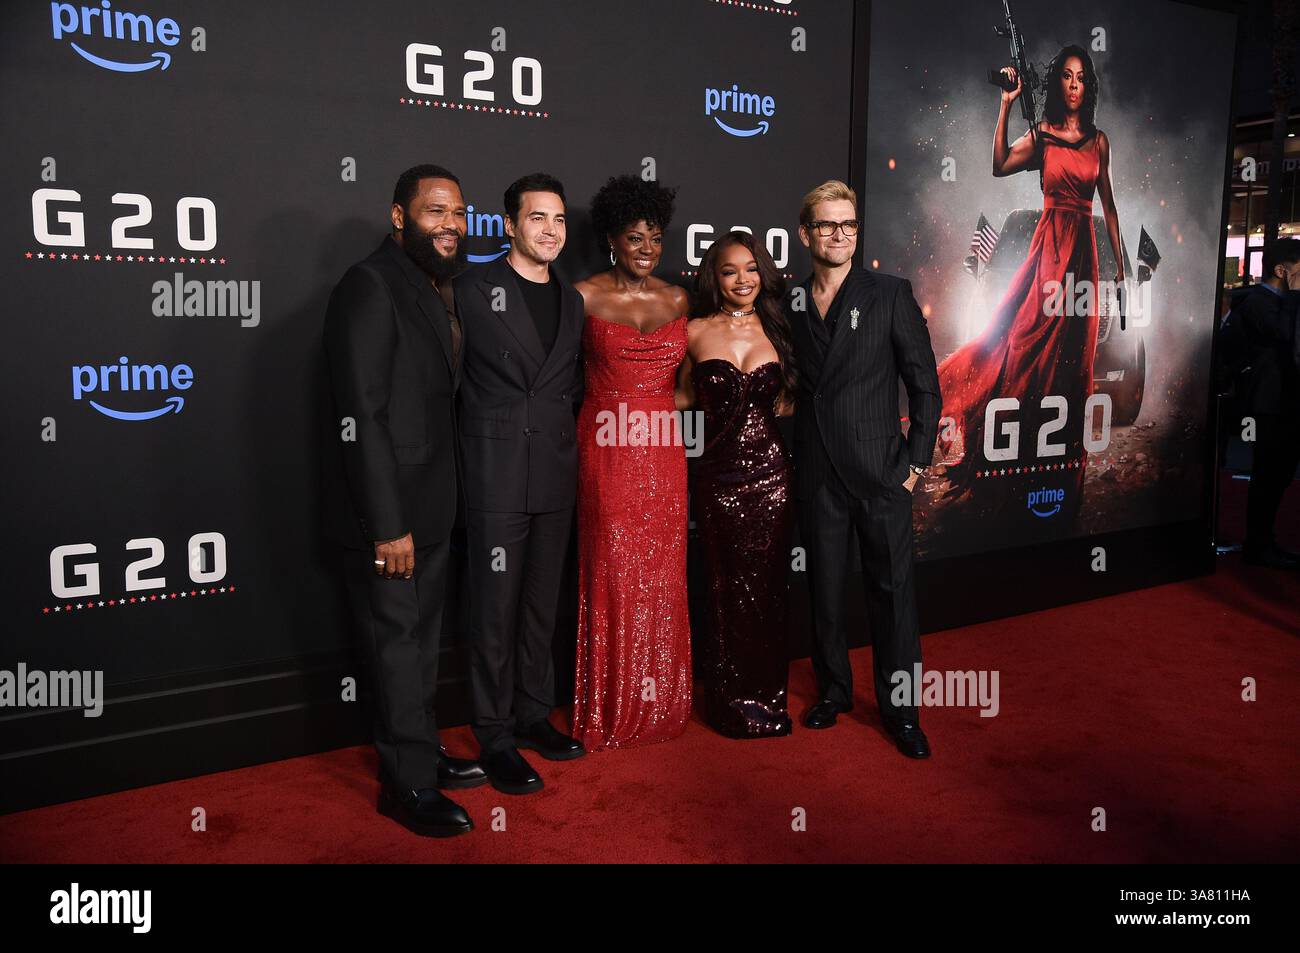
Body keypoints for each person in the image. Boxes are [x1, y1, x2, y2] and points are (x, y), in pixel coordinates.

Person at [322, 163, 485, 838]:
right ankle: (407, 784)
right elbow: (361, 414)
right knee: (397, 644)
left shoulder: (433, 285)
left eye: (458, 212)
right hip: (393, 516)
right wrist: (387, 525)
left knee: (420, 644)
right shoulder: (369, 284)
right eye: (434, 211)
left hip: (435, 505)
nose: (450, 224)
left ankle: (422, 750)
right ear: (398, 216)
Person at [784, 180, 941, 759]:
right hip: (819, 474)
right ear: (806, 233)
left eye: (849, 225)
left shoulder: (891, 294)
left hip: (881, 474)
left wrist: (914, 467)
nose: (840, 235)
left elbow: (926, 387)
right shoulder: (793, 302)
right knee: (824, 591)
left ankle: (902, 713)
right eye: (827, 225)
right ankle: (833, 691)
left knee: (892, 596)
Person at [936, 45, 1123, 524]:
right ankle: (1012, 463)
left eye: (1082, 77)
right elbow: (999, 165)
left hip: (1085, 258)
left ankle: (1059, 477)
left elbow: (1110, 207)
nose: (1075, 84)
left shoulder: (1100, 141)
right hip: (1048, 249)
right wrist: (1005, 104)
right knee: (1021, 343)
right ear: (1056, 83)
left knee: (1073, 365)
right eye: (1066, 75)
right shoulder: (1041, 134)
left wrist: (1119, 267)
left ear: (1089, 85)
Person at [455, 173, 587, 794]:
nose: (551, 231)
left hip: (557, 476)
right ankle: (496, 734)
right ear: (509, 225)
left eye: (559, 220)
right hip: (495, 475)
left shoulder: (573, 299)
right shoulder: (470, 290)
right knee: (494, 611)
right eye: (538, 218)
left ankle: (536, 715)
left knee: (540, 607)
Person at [571, 175, 693, 750]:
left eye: (656, 238)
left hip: (665, 451)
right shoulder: (582, 296)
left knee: (662, 573)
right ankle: (609, 701)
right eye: (635, 237)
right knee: (613, 568)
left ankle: (660, 698)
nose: (647, 248)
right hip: (608, 448)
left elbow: (690, 387)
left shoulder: (677, 299)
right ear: (612, 240)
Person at [678, 231, 796, 739]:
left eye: (751, 269)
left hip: (772, 480)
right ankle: (727, 704)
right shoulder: (693, 331)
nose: (743, 280)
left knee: (768, 591)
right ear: (715, 278)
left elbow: (787, 405)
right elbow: (679, 403)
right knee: (724, 590)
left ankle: (769, 698)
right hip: (717, 482)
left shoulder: (781, 326)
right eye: (730, 271)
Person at [1225, 238, 1300, 568]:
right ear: (1281, 271)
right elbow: (1285, 333)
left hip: (1282, 401)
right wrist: (1295, 295)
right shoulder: (1257, 301)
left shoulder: (1279, 301)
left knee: (1279, 474)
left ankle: (1265, 540)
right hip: (1264, 404)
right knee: (1268, 474)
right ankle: (1257, 544)